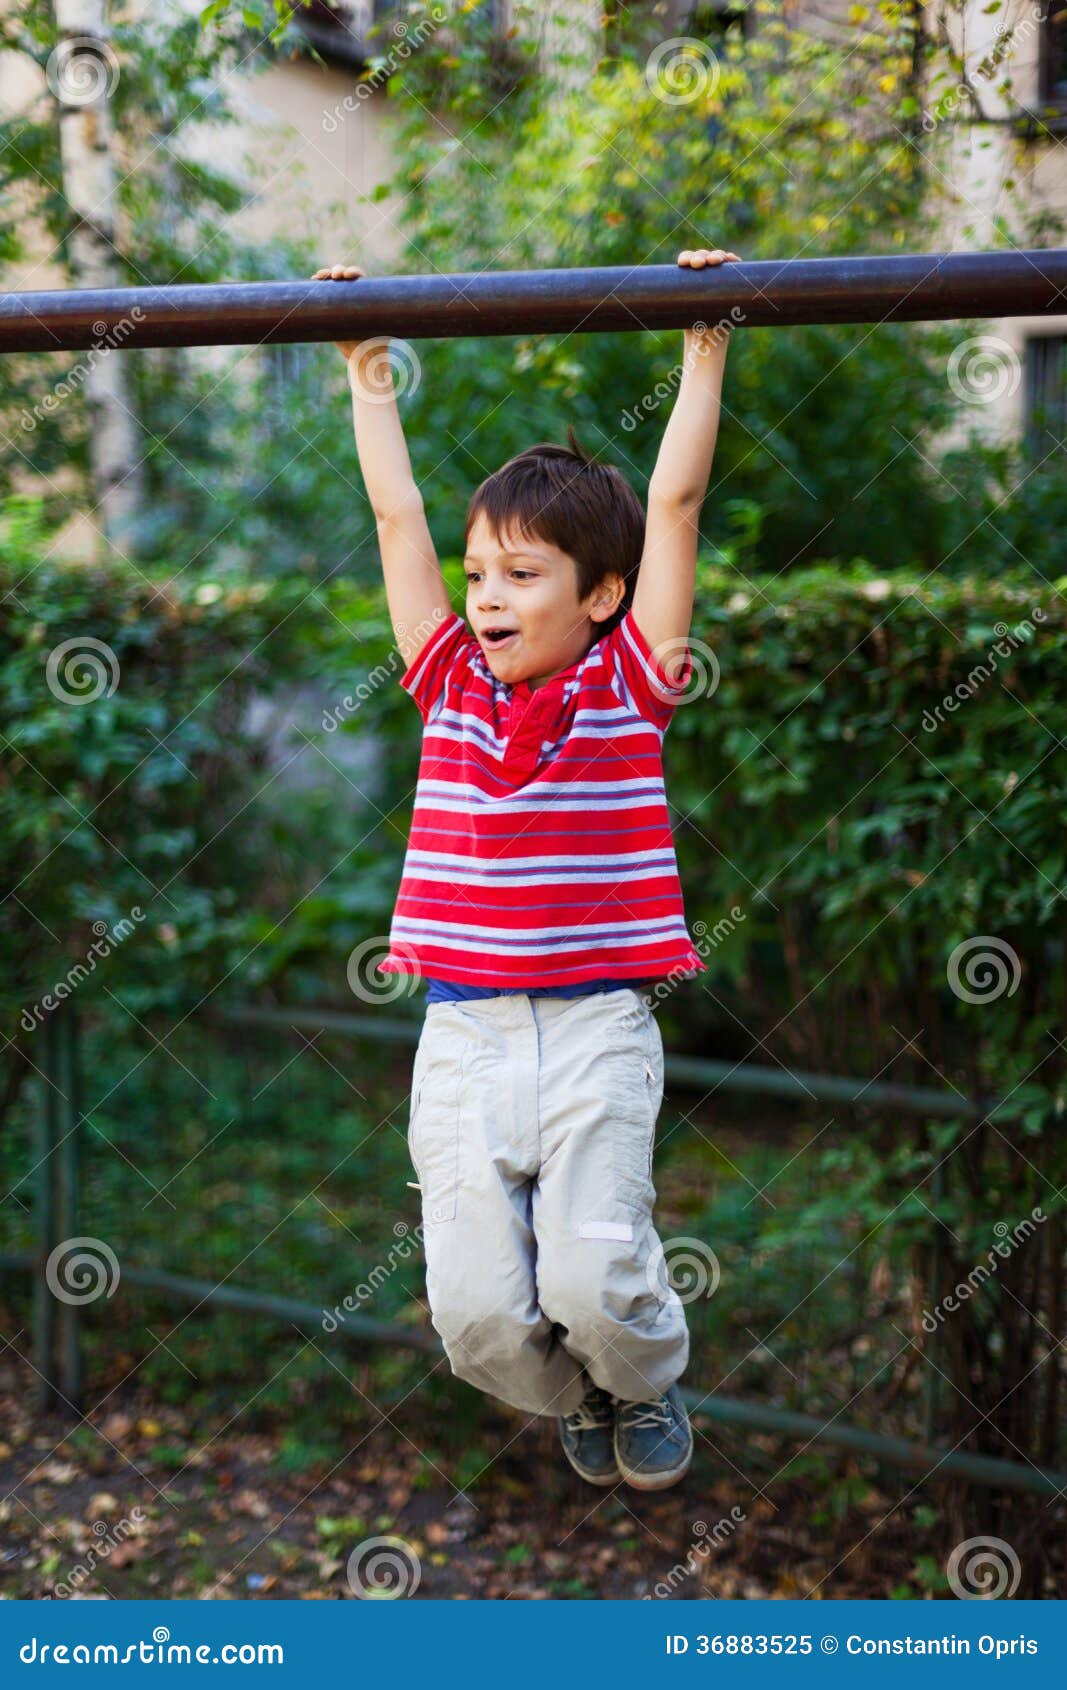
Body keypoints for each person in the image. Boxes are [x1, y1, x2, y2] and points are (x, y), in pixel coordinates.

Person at [313, 248, 739, 1490]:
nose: (486, 597)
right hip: (465, 1036)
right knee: (479, 1317)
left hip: (597, 1027)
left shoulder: (629, 684)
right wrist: (366, 363)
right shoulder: (445, 682)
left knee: (597, 1277)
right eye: (479, 574)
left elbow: (672, 508)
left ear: (600, 596)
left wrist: (701, 344)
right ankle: (582, 1392)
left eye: (521, 575)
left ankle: (640, 1373)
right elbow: (396, 515)